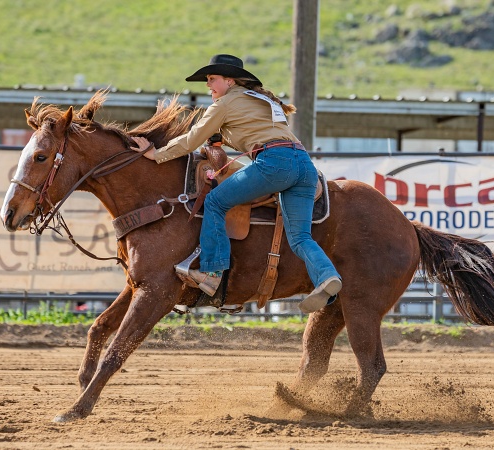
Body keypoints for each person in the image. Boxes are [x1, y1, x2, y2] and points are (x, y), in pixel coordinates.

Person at [131, 54, 341, 313]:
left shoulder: (225, 103)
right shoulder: (261, 100)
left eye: (212, 79)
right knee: (299, 238)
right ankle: (327, 277)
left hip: (274, 163)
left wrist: (155, 155)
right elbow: (253, 131)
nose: (208, 85)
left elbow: (192, 139)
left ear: (229, 81)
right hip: (304, 165)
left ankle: (212, 273)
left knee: (215, 202)